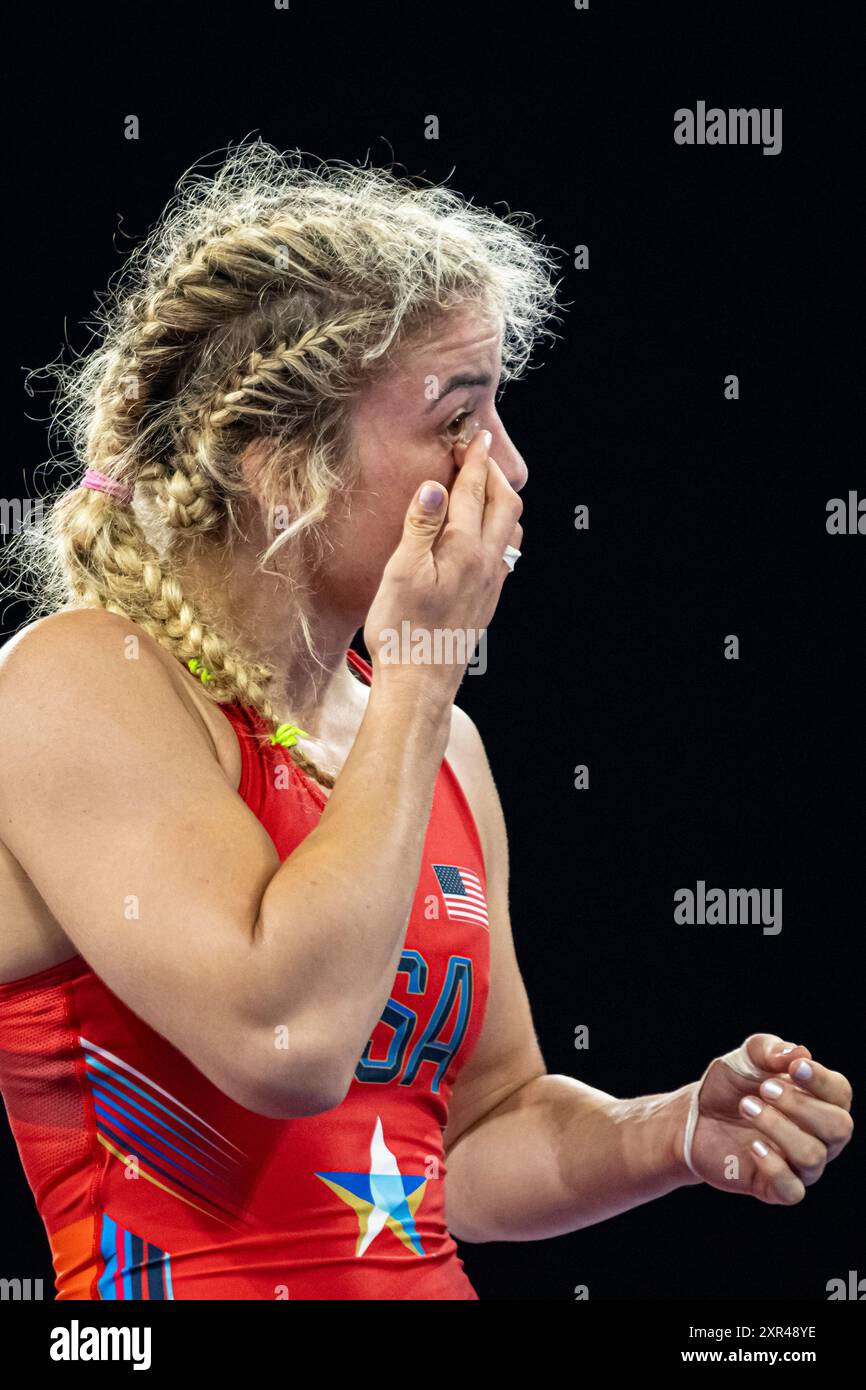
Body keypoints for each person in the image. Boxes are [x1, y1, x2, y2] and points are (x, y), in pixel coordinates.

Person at [0, 143, 852, 1300]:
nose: (507, 464)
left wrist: (670, 1134)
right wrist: (417, 675)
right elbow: (285, 1045)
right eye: (455, 418)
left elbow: (474, 1134)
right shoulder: (77, 680)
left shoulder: (438, 742)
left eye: (499, 410)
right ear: (280, 469)